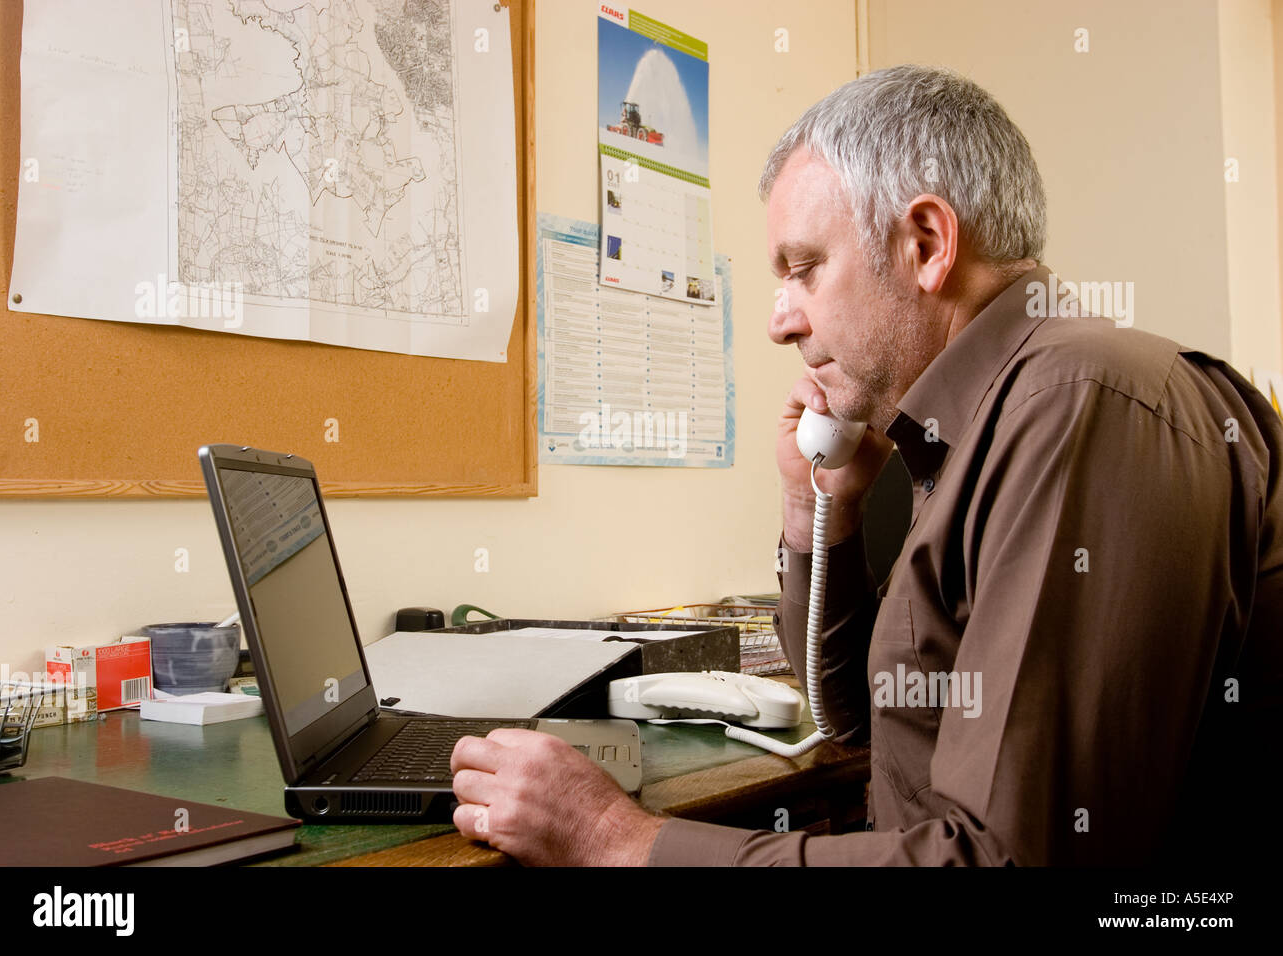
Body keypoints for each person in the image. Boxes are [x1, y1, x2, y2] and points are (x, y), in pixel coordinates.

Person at [449, 65, 1283, 865]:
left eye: (804, 268)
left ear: (926, 243)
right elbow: (868, 722)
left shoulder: (1076, 404)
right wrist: (821, 509)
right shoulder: (971, 425)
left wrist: (619, 842)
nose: (780, 321)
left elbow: (1009, 860)